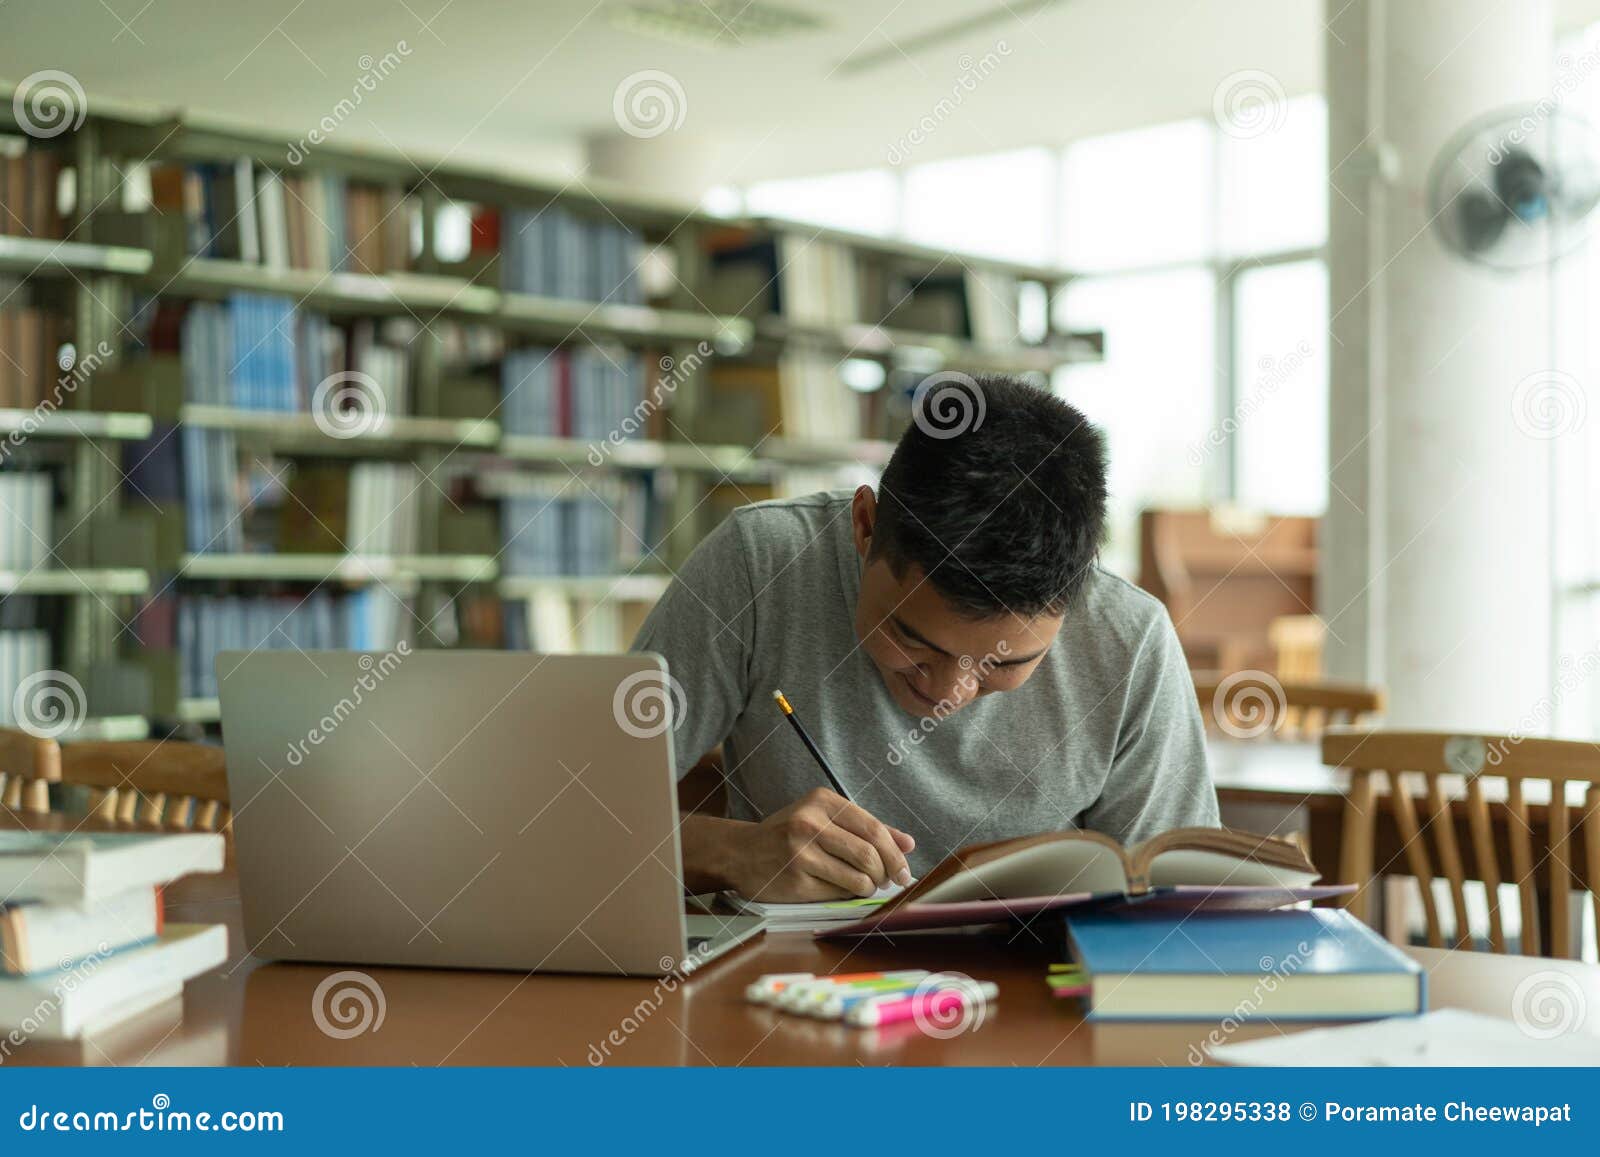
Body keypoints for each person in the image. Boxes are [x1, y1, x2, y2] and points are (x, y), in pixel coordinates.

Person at [633, 373, 1216, 901]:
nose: (949, 693)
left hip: (1034, 1004)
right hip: (790, 995)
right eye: (913, 640)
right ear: (865, 527)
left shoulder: (1130, 639)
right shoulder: (760, 566)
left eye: (1000, 664)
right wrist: (731, 853)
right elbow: (564, 819)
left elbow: (1180, 906)